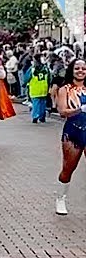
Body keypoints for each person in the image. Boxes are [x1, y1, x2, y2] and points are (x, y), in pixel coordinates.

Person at [55, 58, 86, 215]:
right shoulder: (64, 90)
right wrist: (79, 110)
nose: (80, 71)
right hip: (73, 132)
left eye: (83, 69)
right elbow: (62, 111)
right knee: (68, 168)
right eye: (77, 68)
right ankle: (61, 197)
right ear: (72, 70)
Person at [29, 53, 51, 123]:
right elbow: (49, 78)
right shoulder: (46, 68)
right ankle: (42, 117)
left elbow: (27, 78)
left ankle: (35, 116)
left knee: (36, 103)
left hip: (35, 88)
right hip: (44, 88)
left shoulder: (32, 69)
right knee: (43, 103)